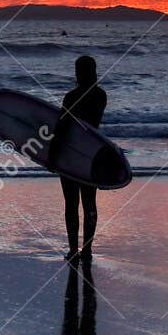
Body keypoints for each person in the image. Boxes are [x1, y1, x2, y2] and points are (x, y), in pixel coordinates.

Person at [50, 54, 106, 262]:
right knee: (90, 203)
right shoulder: (101, 95)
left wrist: (51, 157)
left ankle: (74, 250)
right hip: (91, 154)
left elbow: (61, 128)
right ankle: (87, 250)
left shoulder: (71, 96)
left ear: (79, 72)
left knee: (71, 204)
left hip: (70, 155)